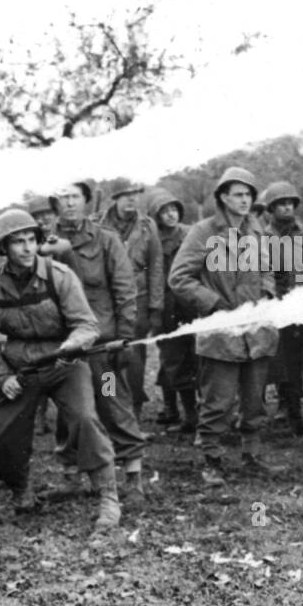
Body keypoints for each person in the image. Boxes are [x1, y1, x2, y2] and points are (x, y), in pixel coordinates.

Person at [0, 210, 121, 528]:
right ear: (4, 248)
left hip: (65, 363)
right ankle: (21, 493)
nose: (27, 249)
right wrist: (3, 378)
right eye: (18, 242)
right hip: (19, 369)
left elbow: (86, 324)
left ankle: (108, 497)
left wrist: (74, 343)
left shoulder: (59, 275)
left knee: (84, 418)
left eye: (31, 241)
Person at [168, 166, 279, 486]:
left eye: (248, 195)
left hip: (256, 329)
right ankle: (212, 460)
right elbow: (179, 278)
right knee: (218, 400)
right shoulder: (204, 232)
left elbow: (269, 269)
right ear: (223, 197)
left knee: (255, 398)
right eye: (237, 194)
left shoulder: (258, 232)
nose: (244, 201)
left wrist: (267, 294)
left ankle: (252, 455)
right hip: (220, 329)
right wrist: (214, 304)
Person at [53, 182, 147, 498]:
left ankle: (133, 476)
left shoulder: (106, 241)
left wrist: (124, 337)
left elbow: (125, 290)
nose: (69, 203)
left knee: (112, 402)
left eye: (75, 196)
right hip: (63, 346)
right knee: (70, 411)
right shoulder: (41, 242)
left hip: (101, 345)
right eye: (63, 196)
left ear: (87, 202)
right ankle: (70, 476)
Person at [259, 180, 303, 436]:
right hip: (279, 308)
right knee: (286, 363)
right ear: (271, 209)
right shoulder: (262, 239)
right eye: (280, 204)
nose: (286, 208)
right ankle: (291, 412)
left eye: (290, 203)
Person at [100, 181, 163, 419]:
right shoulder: (97, 225)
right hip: (105, 302)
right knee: (106, 358)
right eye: (125, 195)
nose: (131, 200)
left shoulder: (148, 226)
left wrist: (156, 305)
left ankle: (134, 413)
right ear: (114, 198)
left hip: (139, 300)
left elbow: (156, 266)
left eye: (135, 195)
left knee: (135, 358)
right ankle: (109, 409)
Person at [148, 189, 198, 433]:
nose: (171, 215)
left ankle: (197, 415)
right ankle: (181, 412)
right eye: (165, 211)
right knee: (172, 360)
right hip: (165, 306)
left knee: (197, 356)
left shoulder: (191, 234)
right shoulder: (150, 238)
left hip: (191, 302)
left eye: (174, 209)